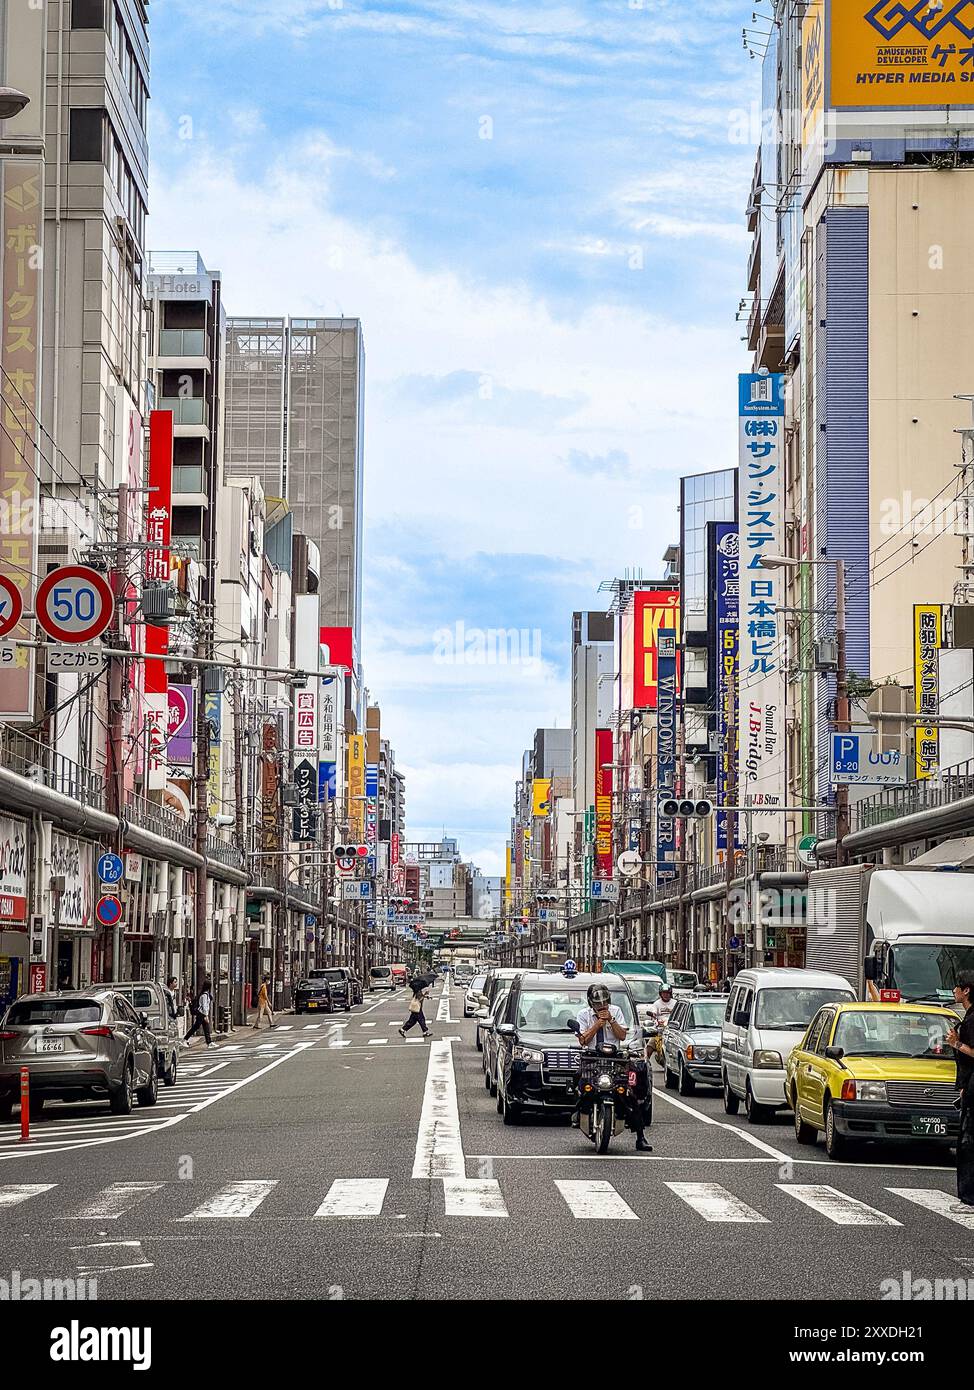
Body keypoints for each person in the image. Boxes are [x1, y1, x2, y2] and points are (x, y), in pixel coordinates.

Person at [574, 983, 652, 1152]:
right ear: (591, 1003)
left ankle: (640, 1136)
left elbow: (622, 1036)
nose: (602, 1006)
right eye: (598, 1003)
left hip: (614, 1058)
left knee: (629, 1094)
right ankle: (577, 1113)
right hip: (592, 1057)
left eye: (605, 1002)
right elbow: (583, 1040)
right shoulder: (583, 1015)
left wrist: (611, 1020)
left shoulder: (616, 1011)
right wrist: (598, 1023)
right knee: (579, 1079)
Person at [947, 971, 974, 1212]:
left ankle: (969, 1197)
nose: (953, 991)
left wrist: (956, 1043)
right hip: (970, 1084)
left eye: (956, 987)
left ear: (966, 990)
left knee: (968, 1140)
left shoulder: (973, 1020)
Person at [185, 977, 214, 1047]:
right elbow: (204, 1006)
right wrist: (206, 1016)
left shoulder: (205, 994)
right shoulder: (204, 995)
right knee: (196, 1027)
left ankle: (209, 1042)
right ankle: (185, 1039)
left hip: (202, 1014)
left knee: (205, 1028)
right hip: (202, 1014)